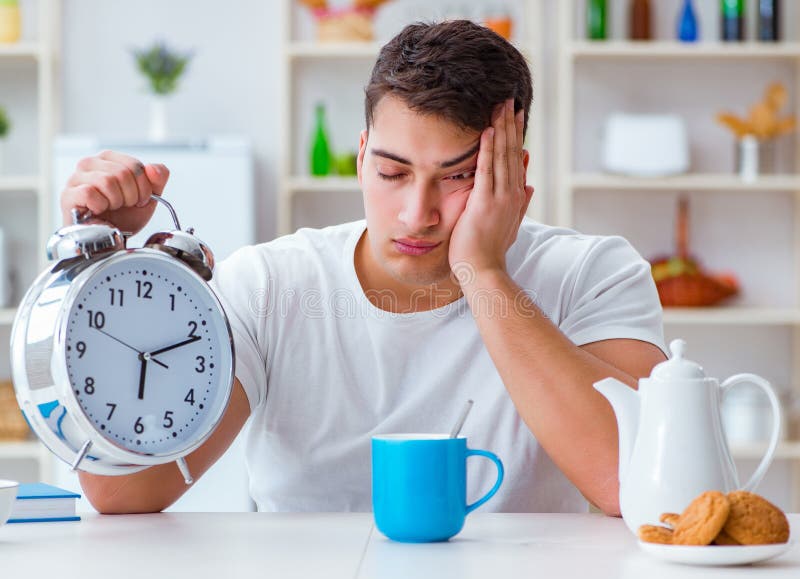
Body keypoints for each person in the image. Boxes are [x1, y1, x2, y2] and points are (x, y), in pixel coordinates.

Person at [61, 20, 666, 515]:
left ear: (512, 173)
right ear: (360, 158)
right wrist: (101, 271)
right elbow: (124, 492)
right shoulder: (273, 284)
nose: (416, 213)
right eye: (392, 172)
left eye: (457, 177)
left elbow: (633, 483)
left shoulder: (593, 273)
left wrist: (483, 272)